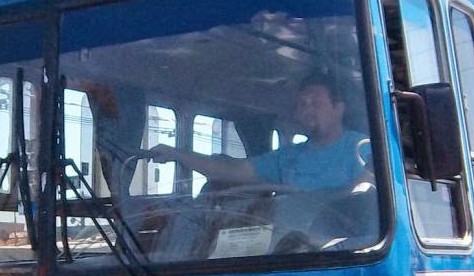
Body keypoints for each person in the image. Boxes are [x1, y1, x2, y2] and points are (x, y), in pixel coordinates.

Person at [147, 73, 368, 191]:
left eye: (315, 103)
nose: (307, 110)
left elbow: (362, 199)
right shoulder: (287, 157)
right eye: (302, 104)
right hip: (289, 248)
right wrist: (177, 154)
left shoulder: (364, 149)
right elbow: (231, 170)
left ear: (338, 108)